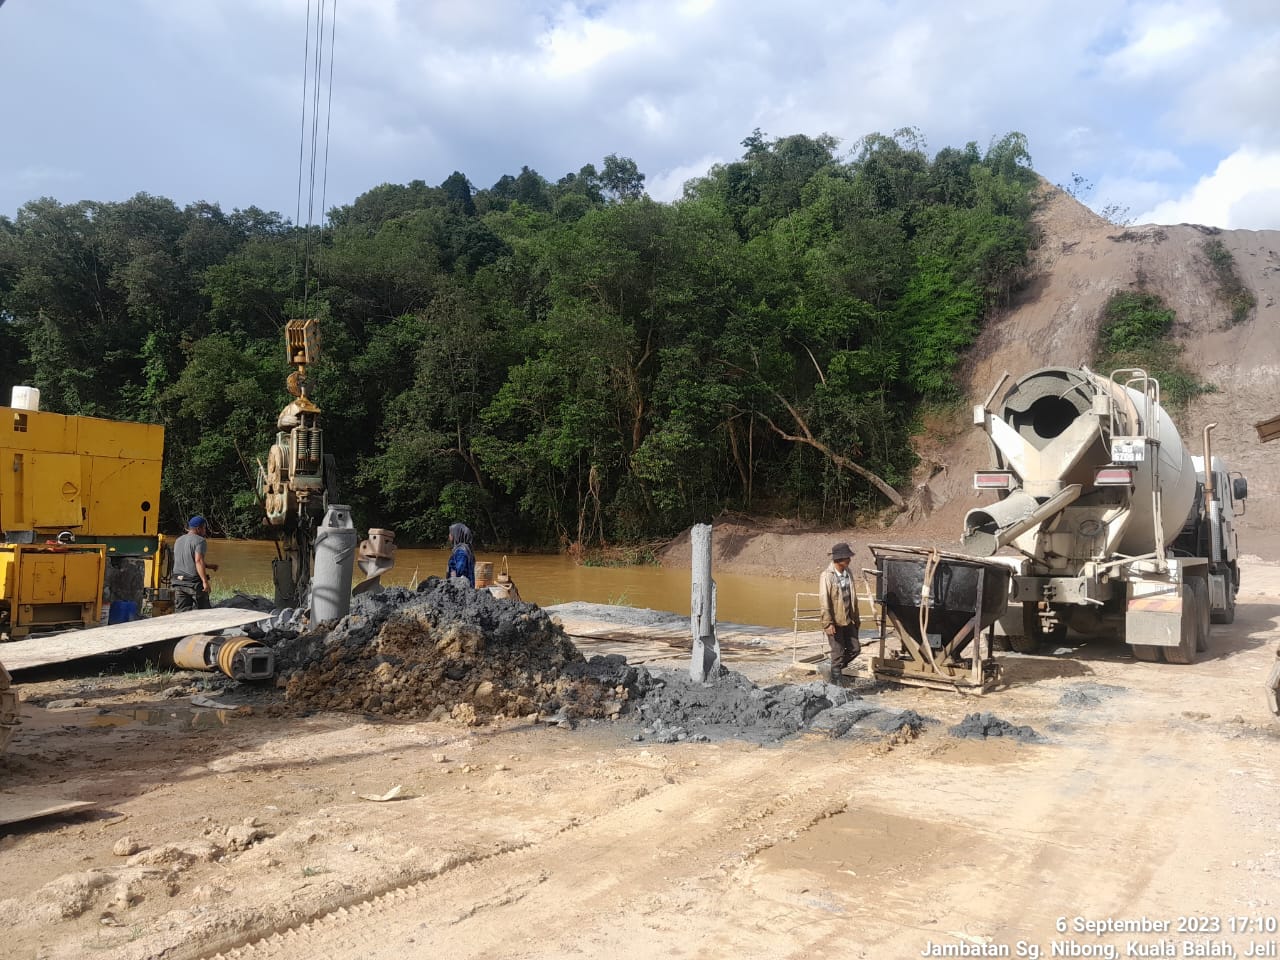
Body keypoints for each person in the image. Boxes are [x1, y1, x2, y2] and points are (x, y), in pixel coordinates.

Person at [819, 541, 861, 684]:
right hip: (835, 622)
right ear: (839, 560)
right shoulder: (827, 576)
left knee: (855, 649)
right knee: (838, 653)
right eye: (847, 558)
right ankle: (837, 685)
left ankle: (832, 671)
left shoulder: (848, 573)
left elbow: (853, 597)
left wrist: (856, 619)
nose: (850, 560)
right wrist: (827, 623)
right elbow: (824, 601)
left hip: (848, 619)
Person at [172, 516, 217, 612]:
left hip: (178, 581)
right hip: (192, 583)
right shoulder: (200, 541)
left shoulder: (178, 540)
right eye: (204, 528)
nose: (205, 531)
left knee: (182, 612)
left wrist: (209, 566)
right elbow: (198, 561)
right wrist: (205, 582)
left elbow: (188, 559)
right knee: (204, 611)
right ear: (198, 528)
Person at [446, 522, 475, 586]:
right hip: (467, 587)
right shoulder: (467, 549)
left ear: (457, 534)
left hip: (461, 588)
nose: (449, 535)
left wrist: (451, 582)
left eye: (451, 533)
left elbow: (459, 571)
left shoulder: (461, 551)